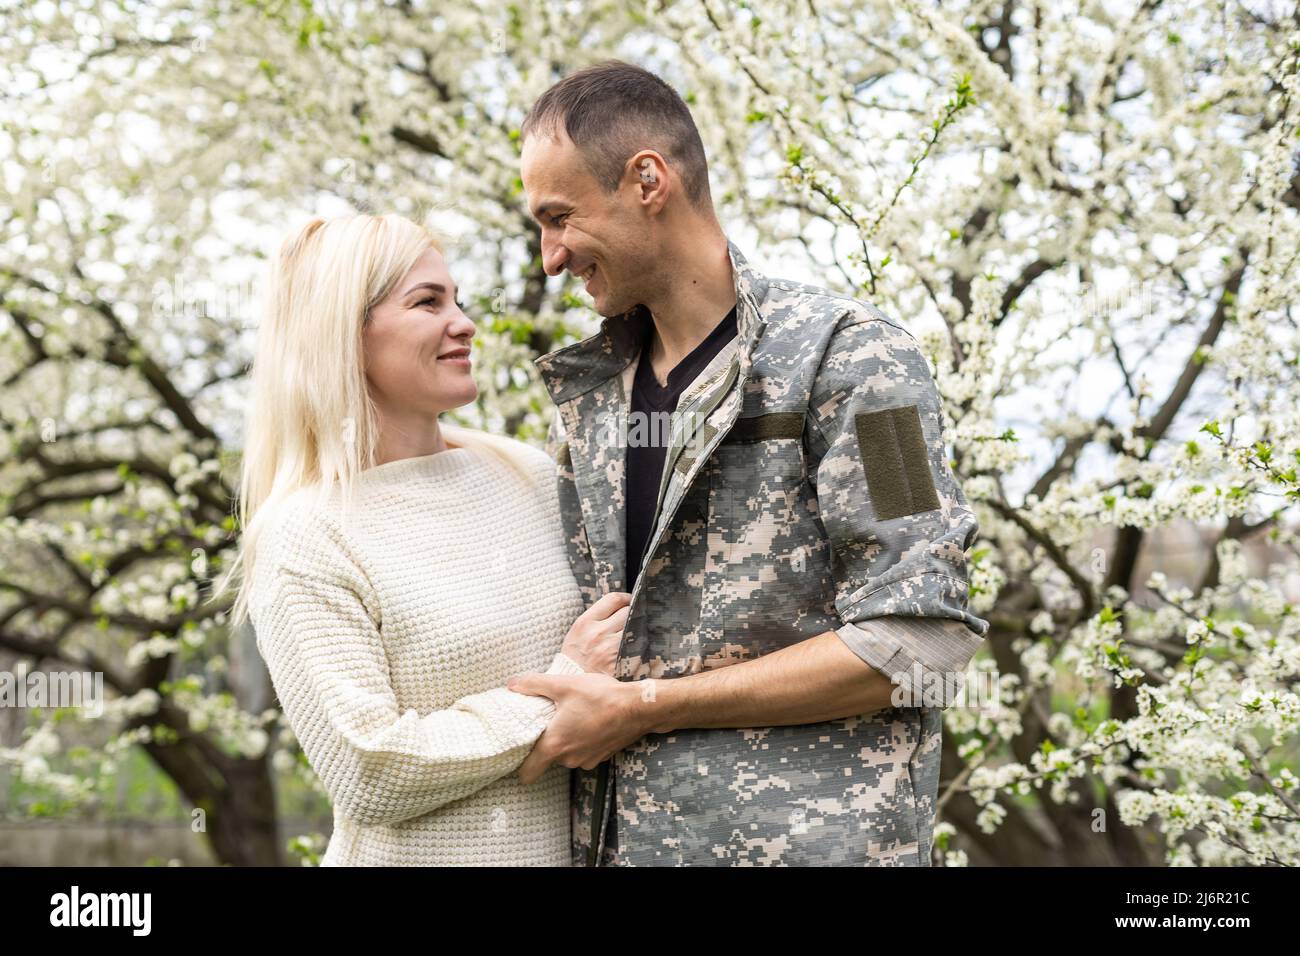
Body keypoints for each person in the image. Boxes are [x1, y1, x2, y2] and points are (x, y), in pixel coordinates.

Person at [506, 60, 990, 866]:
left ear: (648, 180)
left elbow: (919, 642)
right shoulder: (588, 404)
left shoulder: (865, 361)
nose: (551, 257)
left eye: (560, 218)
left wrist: (645, 707)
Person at [218, 213, 630, 865]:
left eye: (458, 299)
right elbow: (367, 771)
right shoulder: (308, 534)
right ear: (344, 334)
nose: (464, 323)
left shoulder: (525, 473)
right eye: (427, 302)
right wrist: (555, 697)